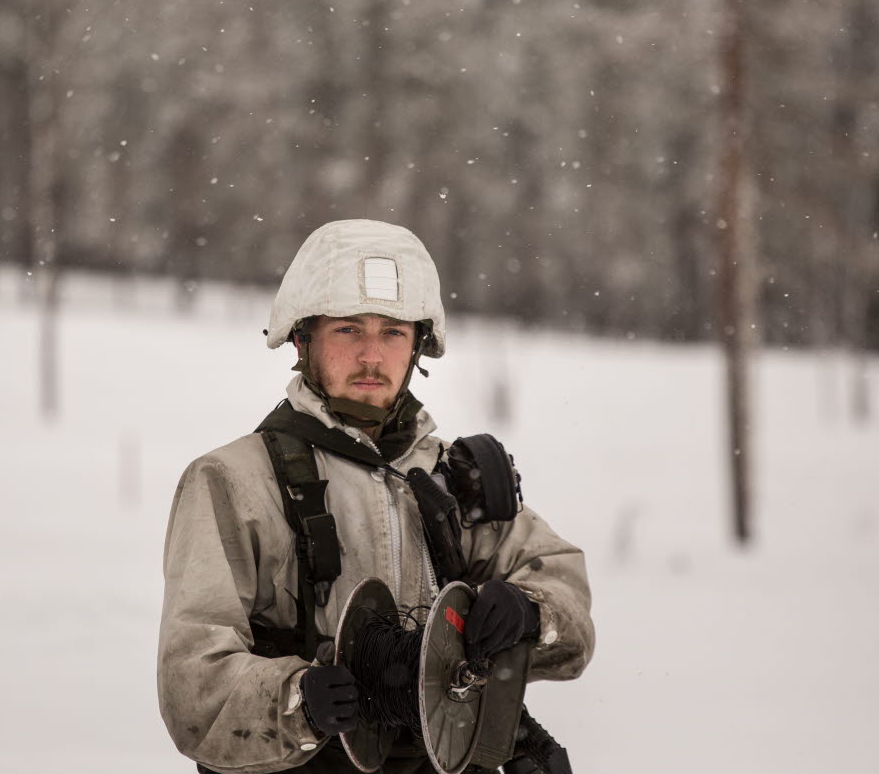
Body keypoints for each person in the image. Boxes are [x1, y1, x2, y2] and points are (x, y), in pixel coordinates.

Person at [157, 219, 594, 773]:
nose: (371, 355)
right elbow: (191, 686)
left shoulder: (453, 479)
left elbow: (570, 617)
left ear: (417, 348)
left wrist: (530, 611)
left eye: (391, 332)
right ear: (302, 338)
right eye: (347, 330)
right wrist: (295, 700)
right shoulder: (233, 482)